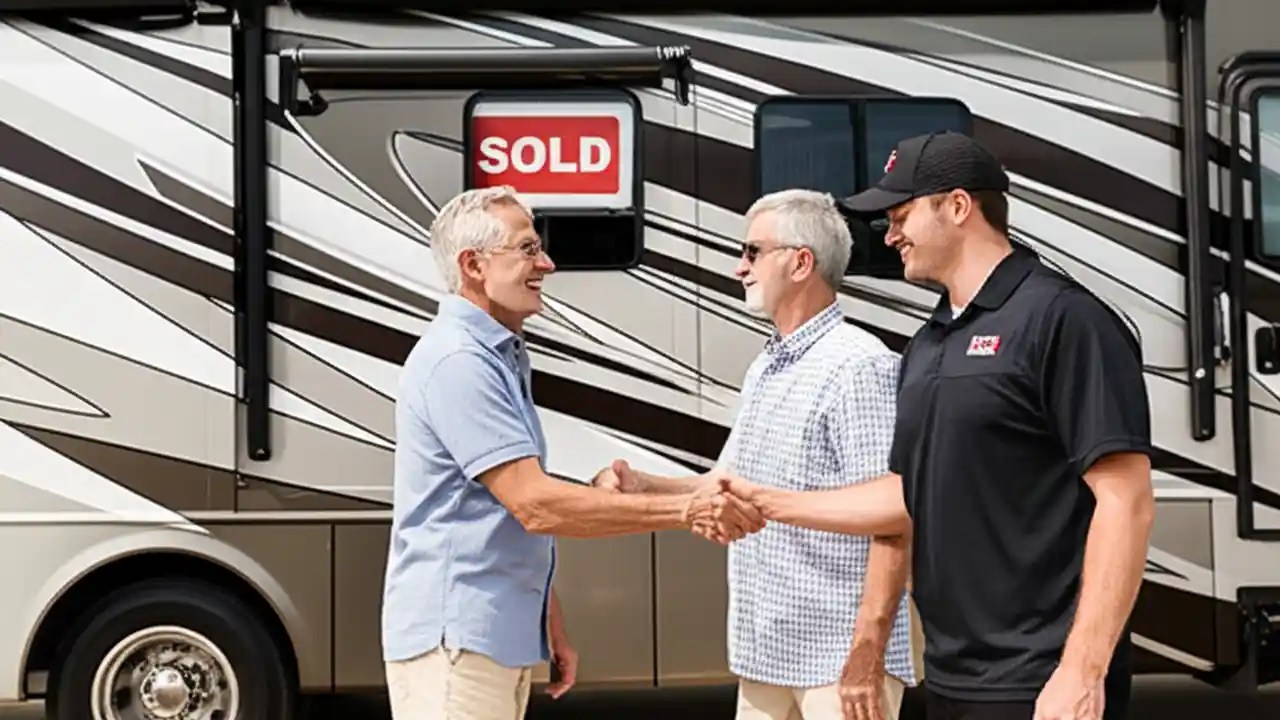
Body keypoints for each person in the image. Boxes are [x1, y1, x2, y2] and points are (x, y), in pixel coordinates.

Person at [720, 132, 1155, 720]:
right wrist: (767, 502)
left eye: (901, 216)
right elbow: (905, 494)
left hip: (1041, 677)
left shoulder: (1065, 319)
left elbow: (1125, 501)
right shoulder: (929, 344)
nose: (890, 233)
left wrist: (1082, 669)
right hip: (953, 675)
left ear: (957, 207)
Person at [380, 185, 765, 720]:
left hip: (488, 633)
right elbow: (533, 504)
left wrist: (546, 620)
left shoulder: (496, 354)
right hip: (459, 639)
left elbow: (501, 511)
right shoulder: (459, 361)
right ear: (473, 264)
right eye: (527, 250)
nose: (547, 263)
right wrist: (686, 509)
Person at [594, 188, 919, 720]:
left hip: (837, 660)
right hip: (766, 655)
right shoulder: (766, 366)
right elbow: (730, 480)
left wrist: (867, 651)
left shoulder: (859, 366)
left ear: (800, 262)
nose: (738, 267)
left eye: (751, 252)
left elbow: (892, 517)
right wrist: (644, 485)